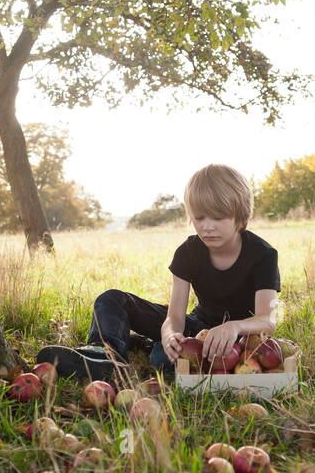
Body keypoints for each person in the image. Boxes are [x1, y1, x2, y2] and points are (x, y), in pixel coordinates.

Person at [37, 164, 280, 383]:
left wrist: (233, 327)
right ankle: (106, 355)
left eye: (218, 217)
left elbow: (266, 321)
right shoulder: (188, 252)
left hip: (240, 340)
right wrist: (170, 334)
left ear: (239, 214)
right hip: (196, 327)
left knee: (162, 360)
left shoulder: (263, 255)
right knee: (112, 299)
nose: (207, 226)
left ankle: (142, 345)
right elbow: (175, 316)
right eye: (199, 217)